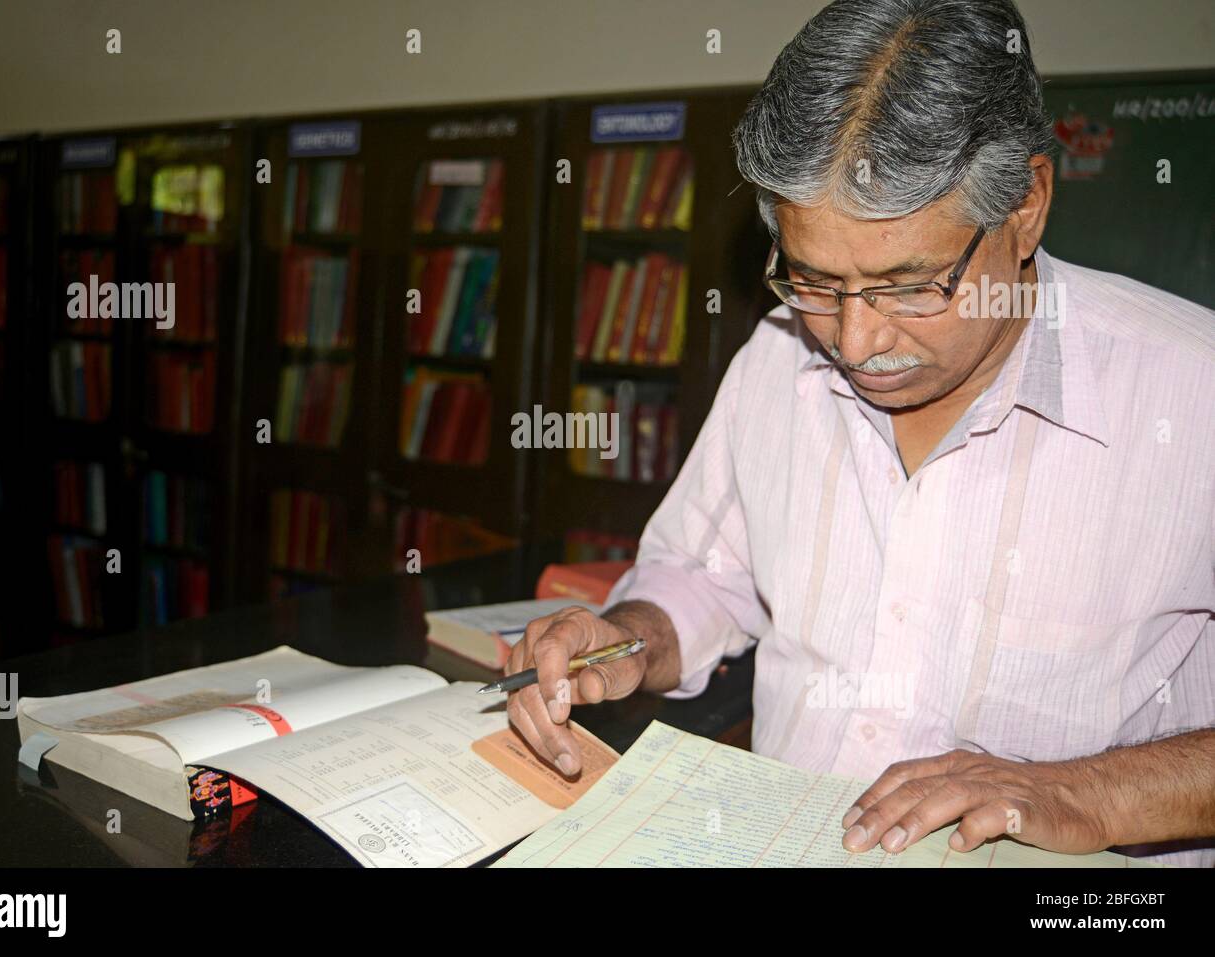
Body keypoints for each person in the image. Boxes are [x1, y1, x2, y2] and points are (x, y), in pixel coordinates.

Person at [506, 0, 1215, 866]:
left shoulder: (1193, 393)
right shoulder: (777, 361)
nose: (854, 342)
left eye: (911, 285)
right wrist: (628, 640)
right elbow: (708, 576)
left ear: (1027, 206)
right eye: (812, 279)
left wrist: (1082, 790)